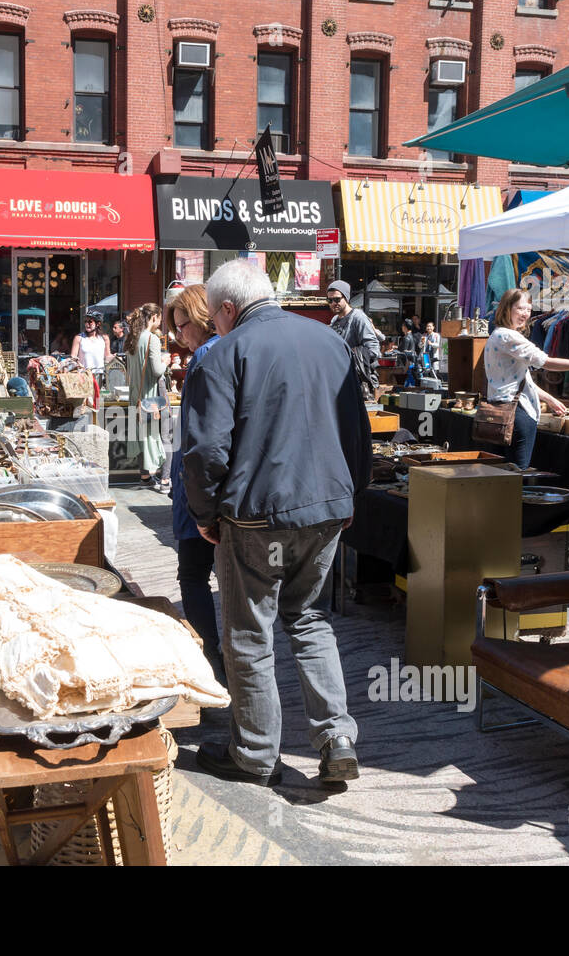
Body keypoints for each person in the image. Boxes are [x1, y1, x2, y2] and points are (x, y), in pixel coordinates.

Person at [183, 259, 372, 789]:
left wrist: (204, 515)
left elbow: (204, 451)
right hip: (325, 509)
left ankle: (255, 753)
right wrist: (351, 495)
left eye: (215, 317)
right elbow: (356, 428)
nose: (215, 326)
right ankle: (337, 738)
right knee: (309, 619)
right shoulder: (328, 341)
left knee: (249, 632)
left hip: (255, 517)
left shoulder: (224, 354)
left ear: (228, 308)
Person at [166, 285, 225, 689]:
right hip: (211, 485)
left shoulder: (206, 354)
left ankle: (210, 661)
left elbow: (200, 436)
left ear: (201, 317)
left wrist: (195, 499)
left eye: (182, 325)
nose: (178, 336)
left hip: (201, 488)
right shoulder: (225, 349)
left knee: (192, 574)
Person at [484, 289, 569, 468]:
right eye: (520, 308)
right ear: (506, 308)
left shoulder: (497, 335)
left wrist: (549, 399)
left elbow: (521, 379)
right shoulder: (508, 336)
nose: (525, 314)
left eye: (528, 309)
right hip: (515, 412)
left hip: (500, 412)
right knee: (517, 473)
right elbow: (546, 362)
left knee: (503, 474)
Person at [125, 303, 168, 491]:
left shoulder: (132, 338)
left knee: (141, 435)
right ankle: (165, 480)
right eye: (159, 318)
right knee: (163, 435)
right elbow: (157, 370)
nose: (160, 322)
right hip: (151, 397)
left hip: (135, 396)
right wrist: (165, 362)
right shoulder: (152, 339)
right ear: (153, 317)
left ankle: (145, 477)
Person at [326, 280, 380, 376]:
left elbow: (373, 350)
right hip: (340, 374)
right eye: (330, 300)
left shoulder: (358, 317)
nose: (333, 303)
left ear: (346, 298)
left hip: (356, 377)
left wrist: (350, 355)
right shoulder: (334, 320)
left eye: (337, 299)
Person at [71, 312, 110, 378]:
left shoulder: (104, 338)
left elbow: (107, 356)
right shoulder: (79, 338)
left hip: (100, 376)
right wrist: (78, 366)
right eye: (85, 322)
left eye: (90, 322)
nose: (87, 324)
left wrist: (117, 357)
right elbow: (73, 357)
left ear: (98, 324)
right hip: (84, 376)